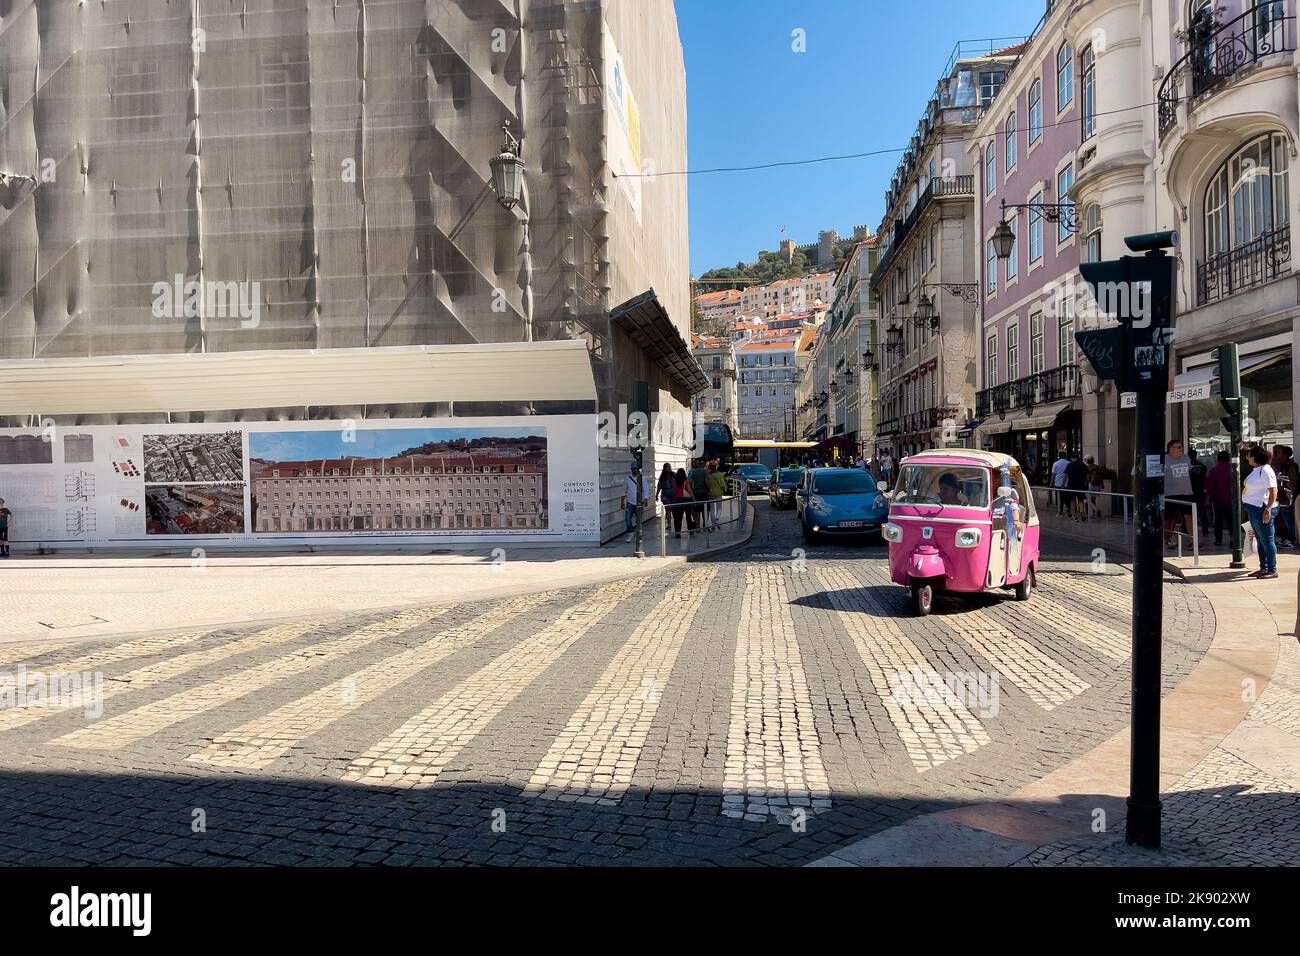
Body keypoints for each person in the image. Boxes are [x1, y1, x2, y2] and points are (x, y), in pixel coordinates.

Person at [1243, 445, 1279, 579]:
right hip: (1253, 508)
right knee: (1260, 539)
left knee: (1267, 539)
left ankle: (1271, 569)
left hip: (1261, 508)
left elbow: (1273, 490)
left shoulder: (1265, 470)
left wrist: (1268, 509)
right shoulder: (1256, 470)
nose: (1248, 457)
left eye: (1249, 455)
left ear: (1255, 457)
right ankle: (1263, 567)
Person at [1162, 439, 1195, 548]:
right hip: (1170, 493)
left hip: (1186, 492)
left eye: (1181, 447)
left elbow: (1189, 472)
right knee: (1169, 519)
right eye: (1179, 447)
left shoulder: (1186, 458)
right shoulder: (1165, 460)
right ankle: (1167, 539)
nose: (1181, 449)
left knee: (1189, 516)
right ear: (1171, 449)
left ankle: (1192, 540)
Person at [1271, 445, 1300, 549]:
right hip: (1284, 497)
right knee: (1286, 518)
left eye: (1280, 453)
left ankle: (1292, 538)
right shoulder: (1281, 465)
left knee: (1289, 518)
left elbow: (1292, 482)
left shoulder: (1290, 466)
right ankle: (1288, 537)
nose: (1278, 455)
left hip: (1288, 498)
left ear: (1285, 455)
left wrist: (1289, 495)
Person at [1204, 450, 1235, 546]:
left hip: (1218, 499)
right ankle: (1233, 539)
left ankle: (1218, 539)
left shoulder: (1214, 470)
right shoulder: (1233, 469)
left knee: (1218, 520)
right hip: (1231, 499)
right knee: (1231, 521)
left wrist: (1208, 498)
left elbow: (1210, 486)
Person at [621, 463, 650, 542]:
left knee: (639, 520)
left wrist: (646, 499)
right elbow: (624, 491)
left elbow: (646, 489)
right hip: (630, 502)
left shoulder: (642, 478)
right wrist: (622, 501)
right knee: (627, 519)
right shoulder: (627, 478)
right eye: (633, 469)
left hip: (639, 502)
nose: (634, 470)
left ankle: (639, 534)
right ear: (631, 469)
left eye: (635, 469)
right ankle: (630, 532)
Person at [1189, 448, 1209, 537]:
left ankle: (1186, 528)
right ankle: (1205, 528)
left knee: (1188, 511)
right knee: (1202, 510)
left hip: (1190, 491)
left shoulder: (1187, 467)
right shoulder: (1202, 467)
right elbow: (1205, 478)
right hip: (1200, 491)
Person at [1065, 452, 1090, 521]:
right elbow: (1087, 476)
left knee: (1072, 501)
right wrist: (1086, 483)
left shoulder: (1069, 465)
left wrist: (1063, 484)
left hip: (1071, 486)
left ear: (1071, 458)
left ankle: (1075, 517)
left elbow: (1066, 475)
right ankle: (1082, 512)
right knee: (1081, 500)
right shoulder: (1083, 465)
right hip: (1080, 486)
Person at [672, 467, 696, 536]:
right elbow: (689, 491)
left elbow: (673, 491)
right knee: (688, 516)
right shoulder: (686, 481)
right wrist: (694, 500)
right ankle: (691, 530)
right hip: (686, 500)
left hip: (677, 500)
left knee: (678, 517)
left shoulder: (674, 481)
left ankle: (677, 533)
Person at [707, 460, 727, 530]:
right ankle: (717, 520)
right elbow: (722, 484)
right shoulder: (719, 474)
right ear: (716, 467)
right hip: (718, 493)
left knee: (712, 509)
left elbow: (707, 484)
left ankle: (713, 523)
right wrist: (724, 489)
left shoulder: (708, 475)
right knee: (719, 508)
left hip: (711, 493)